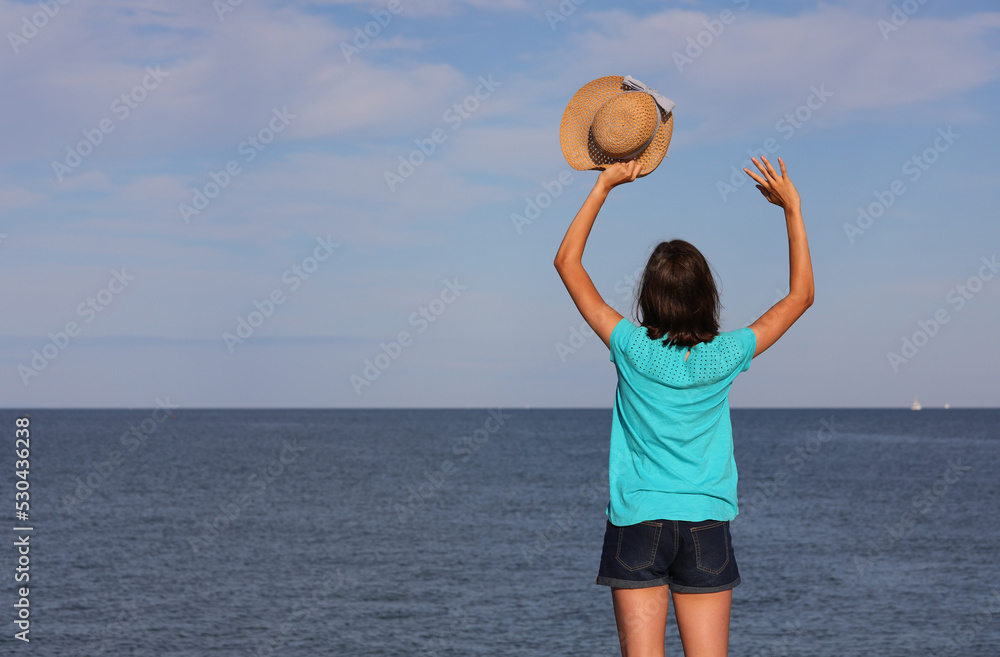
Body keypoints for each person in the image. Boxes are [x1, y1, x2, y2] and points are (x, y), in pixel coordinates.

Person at [553, 155, 814, 657]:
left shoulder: (630, 346)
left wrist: (604, 185)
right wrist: (791, 210)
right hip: (705, 527)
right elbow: (800, 296)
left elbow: (567, 263)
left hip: (637, 523)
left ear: (648, 298)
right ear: (706, 297)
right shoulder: (725, 354)